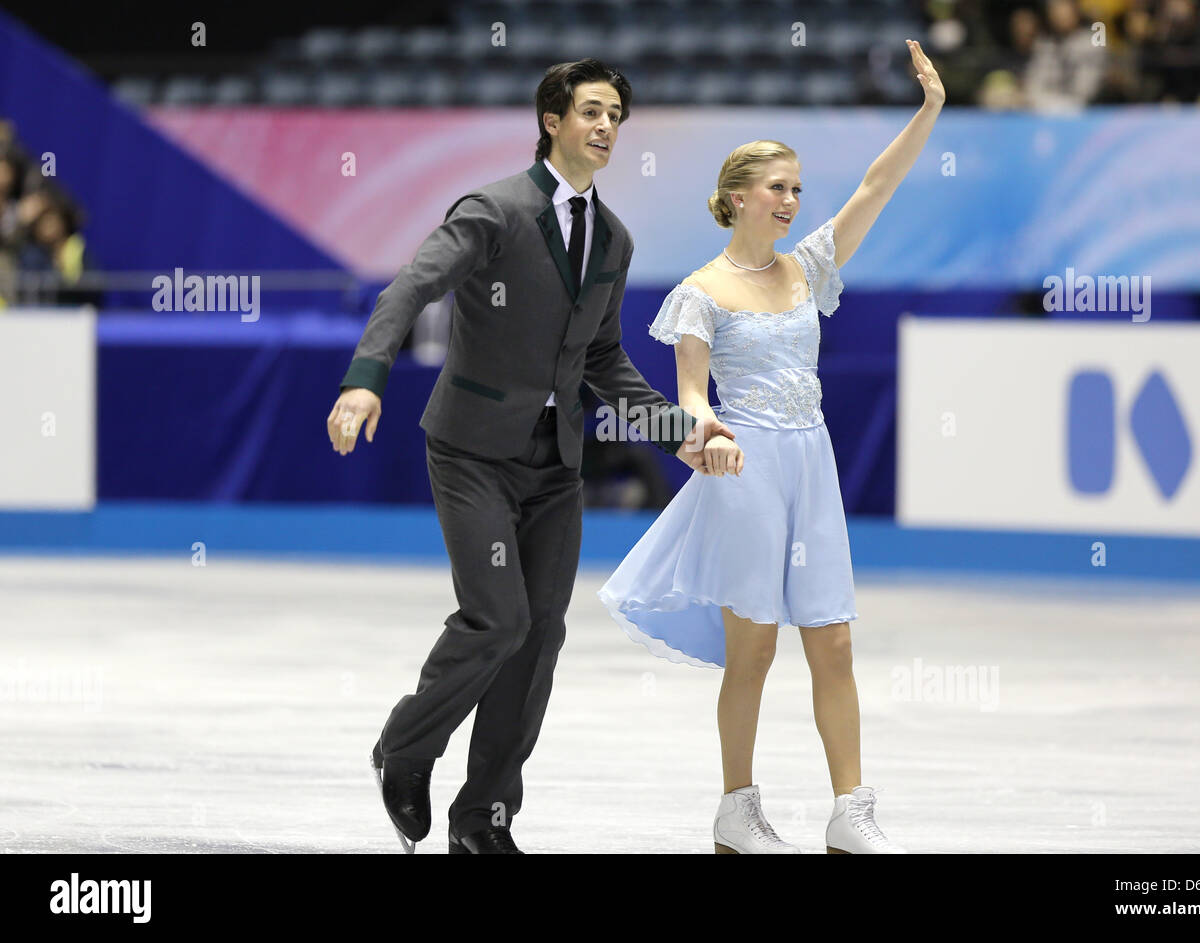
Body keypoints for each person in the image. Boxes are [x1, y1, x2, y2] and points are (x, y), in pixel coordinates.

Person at [326, 59, 740, 854]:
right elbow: (409, 287)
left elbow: (606, 362)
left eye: (616, 113)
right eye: (591, 110)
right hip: (473, 450)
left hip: (556, 467)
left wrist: (682, 432)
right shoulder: (495, 211)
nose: (607, 126)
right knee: (499, 617)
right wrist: (365, 378)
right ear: (551, 120)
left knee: (540, 633)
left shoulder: (613, 238)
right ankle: (405, 748)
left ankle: (483, 815)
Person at [598, 40, 944, 854]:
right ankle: (736, 807)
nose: (792, 201)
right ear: (738, 198)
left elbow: (877, 185)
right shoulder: (700, 292)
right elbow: (689, 392)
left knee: (834, 635)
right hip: (743, 461)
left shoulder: (807, 267)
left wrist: (928, 111)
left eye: (795, 188)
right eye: (778, 189)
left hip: (811, 462)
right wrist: (702, 429)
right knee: (751, 646)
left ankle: (850, 810)